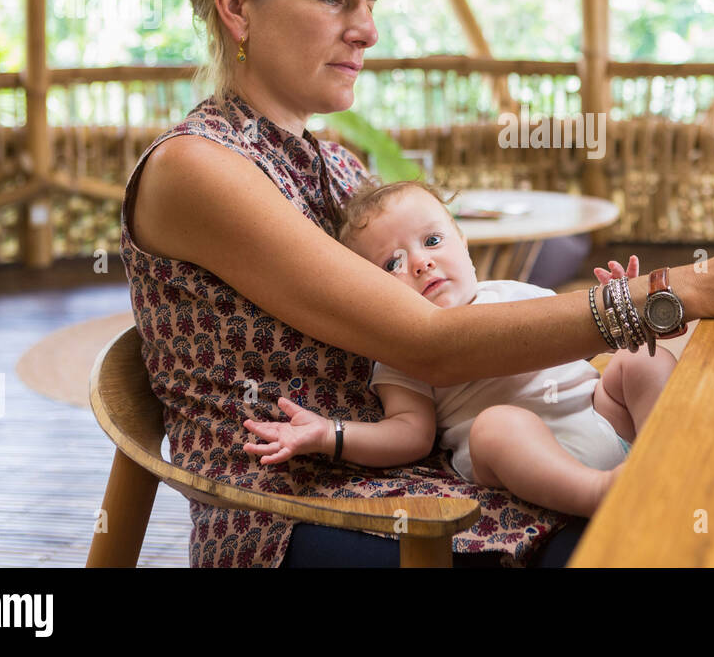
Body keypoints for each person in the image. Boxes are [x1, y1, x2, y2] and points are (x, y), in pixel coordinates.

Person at [120, 0, 714, 568]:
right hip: (297, 511)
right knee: (663, 536)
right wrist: (684, 291)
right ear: (237, 9)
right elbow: (429, 344)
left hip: (422, 474)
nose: (366, 31)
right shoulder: (198, 168)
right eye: (335, 1)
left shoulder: (332, 165)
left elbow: (453, 315)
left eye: (368, 3)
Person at [242, 179, 678, 518]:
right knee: (497, 426)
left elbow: (577, 343)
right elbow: (411, 434)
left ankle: (668, 450)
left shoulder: (511, 291)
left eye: (432, 241)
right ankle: (600, 494)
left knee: (639, 360)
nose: (420, 262)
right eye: (392, 263)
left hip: (604, 420)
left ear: (465, 245)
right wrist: (330, 434)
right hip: (534, 461)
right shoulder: (400, 348)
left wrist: (623, 319)